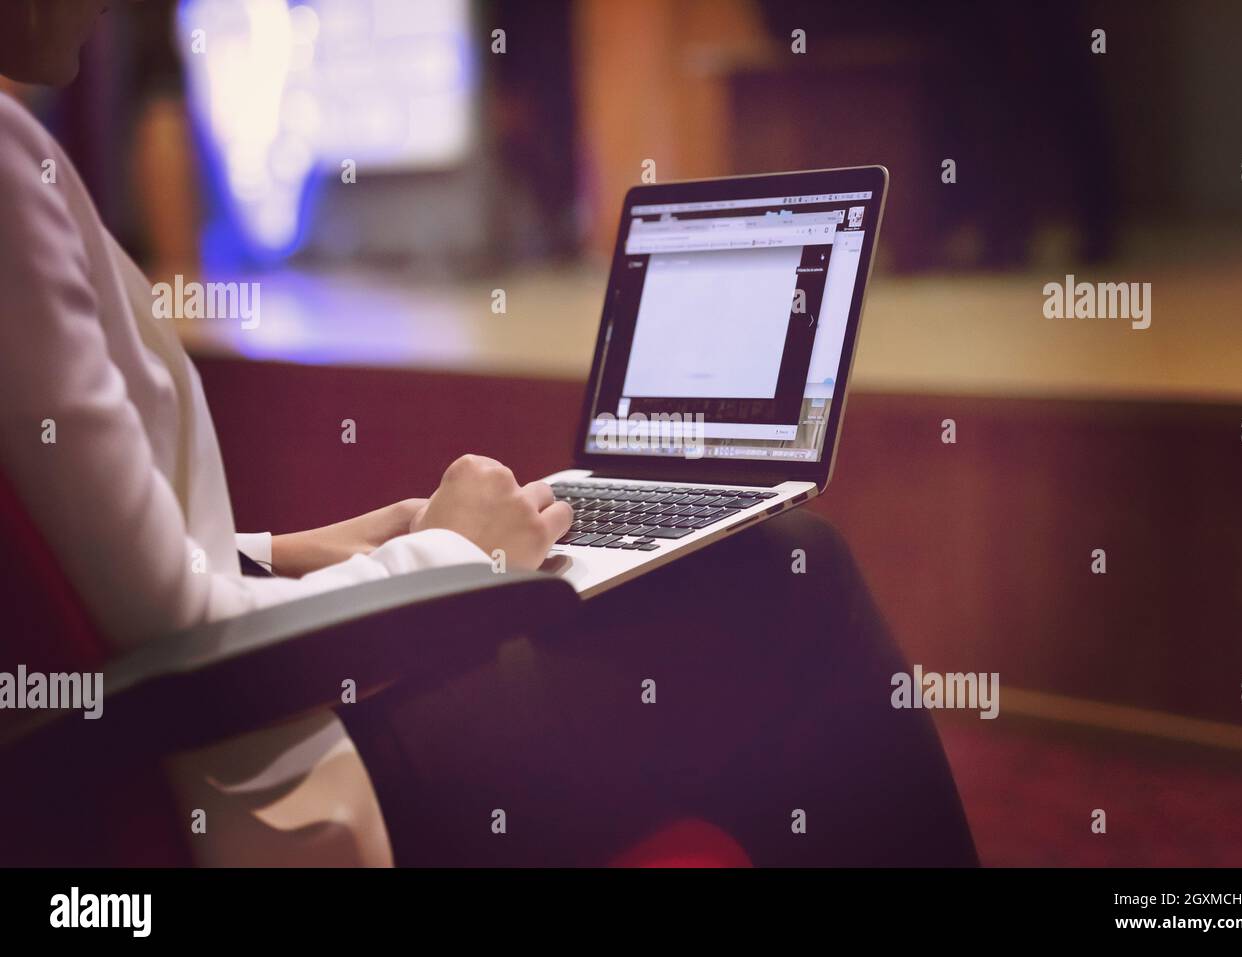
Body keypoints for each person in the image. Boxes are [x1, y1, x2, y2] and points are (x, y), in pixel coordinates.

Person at [0, 0, 977, 866]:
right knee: (785, 578)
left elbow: (100, 561)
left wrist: (321, 546)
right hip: (251, 782)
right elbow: (177, 641)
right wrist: (450, 554)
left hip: (193, 739)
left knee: (738, 581)